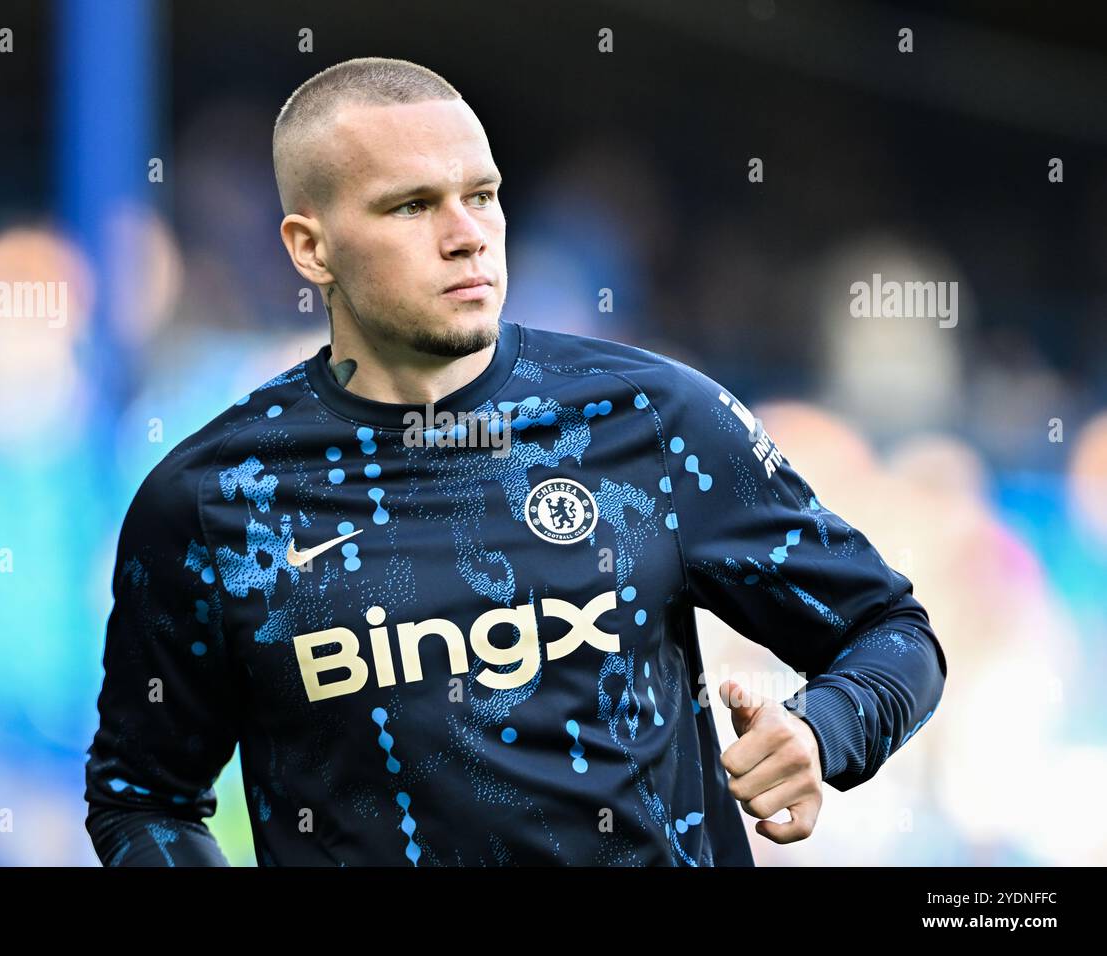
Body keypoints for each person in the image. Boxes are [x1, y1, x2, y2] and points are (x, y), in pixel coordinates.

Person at [83, 56, 946, 866]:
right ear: (312, 248)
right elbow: (141, 797)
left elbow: (891, 633)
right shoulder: (213, 502)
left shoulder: (651, 418)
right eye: (412, 206)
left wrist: (823, 730)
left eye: (483, 195)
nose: (467, 235)